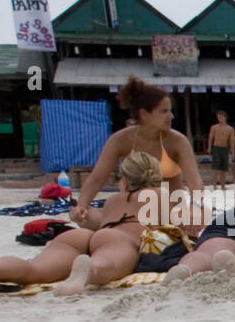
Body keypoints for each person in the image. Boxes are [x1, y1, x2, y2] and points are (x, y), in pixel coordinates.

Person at [0, 152, 190, 293]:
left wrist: (82, 215)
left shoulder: (114, 200)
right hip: (122, 240)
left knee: (34, 270)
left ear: (124, 181)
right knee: (105, 265)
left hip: (83, 237)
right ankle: (88, 271)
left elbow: (99, 223)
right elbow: (179, 228)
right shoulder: (160, 194)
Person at [71, 75, 203, 228]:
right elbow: (97, 178)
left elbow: (195, 181)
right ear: (144, 114)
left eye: (170, 111)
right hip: (131, 213)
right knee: (86, 217)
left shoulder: (177, 141)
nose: (171, 116)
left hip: (169, 214)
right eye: (164, 111)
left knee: (196, 219)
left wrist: (195, 205)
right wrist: (81, 206)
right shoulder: (120, 140)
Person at [207, 109, 235, 187]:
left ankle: (223, 185)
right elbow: (210, 138)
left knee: (223, 167)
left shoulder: (230, 129)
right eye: (218, 117)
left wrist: (232, 150)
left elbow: (231, 140)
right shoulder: (214, 127)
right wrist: (209, 147)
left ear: (225, 117)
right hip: (216, 148)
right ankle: (214, 185)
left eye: (220, 117)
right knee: (215, 167)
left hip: (224, 148)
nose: (219, 118)